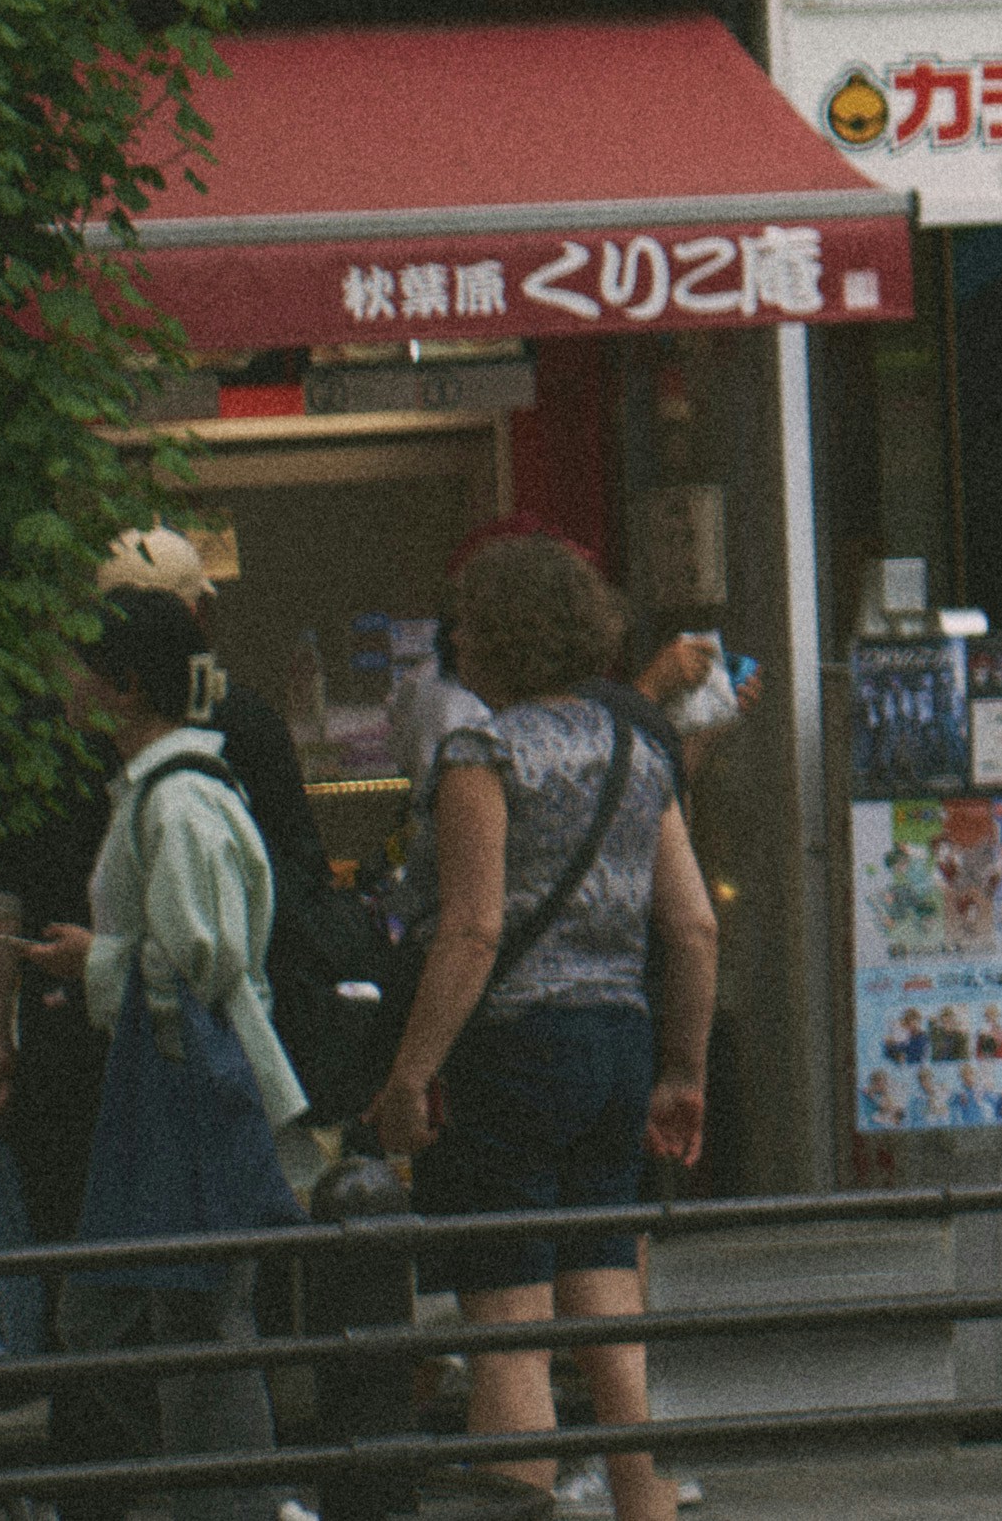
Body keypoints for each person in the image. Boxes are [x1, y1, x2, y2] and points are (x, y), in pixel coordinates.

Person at [369, 528, 715, 1521]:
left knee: (509, 1323)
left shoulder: (482, 751)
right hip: (618, 1040)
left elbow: (472, 930)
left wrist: (408, 1074)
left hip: (510, 1050)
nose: (457, 640)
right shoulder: (637, 748)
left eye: (467, 623)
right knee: (609, 1301)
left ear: (495, 636)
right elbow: (691, 924)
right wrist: (682, 1072)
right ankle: (644, 1508)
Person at [62, 583, 318, 1521]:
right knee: (191, 1307)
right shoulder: (181, 790)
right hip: (191, 1077)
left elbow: (196, 961)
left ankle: (241, 1507)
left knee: (196, 1308)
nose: (65, 682)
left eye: (80, 666)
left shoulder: (173, 803)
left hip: (188, 1079)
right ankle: (234, 1502)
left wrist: (99, 960)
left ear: (125, 686)